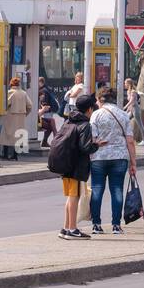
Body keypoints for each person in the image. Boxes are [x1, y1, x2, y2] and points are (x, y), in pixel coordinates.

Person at [89, 87, 135, 235]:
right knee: (117, 190)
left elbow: (93, 139)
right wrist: (133, 162)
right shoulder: (123, 115)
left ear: (100, 99)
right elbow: (130, 141)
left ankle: (96, 225)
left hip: (99, 157)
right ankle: (116, 225)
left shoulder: (96, 115)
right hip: (120, 157)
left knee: (97, 190)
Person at [57, 94, 102, 240]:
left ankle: (65, 228)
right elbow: (85, 147)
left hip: (65, 164)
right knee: (74, 197)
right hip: (76, 167)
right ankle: (72, 229)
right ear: (89, 109)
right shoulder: (84, 125)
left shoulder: (68, 121)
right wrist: (96, 145)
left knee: (70, 197)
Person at [2, 77, 32, 160]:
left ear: (11, 84)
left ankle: (5, 155)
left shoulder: (10, 92)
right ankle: (15, 156)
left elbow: (6, 104)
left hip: (10, 117)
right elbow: (30, 105)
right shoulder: (24, 93)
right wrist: (25, 114)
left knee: (7, 135)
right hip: (21, 117)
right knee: (18, 136)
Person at [37, 77, 60, 148]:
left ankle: (54, 139)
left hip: (40, 115)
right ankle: (55, 139)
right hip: (37, 118)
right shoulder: (46, 89)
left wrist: (43, 109)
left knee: (51, 122)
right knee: (51, 123)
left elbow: (44, 103)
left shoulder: (42, 90)